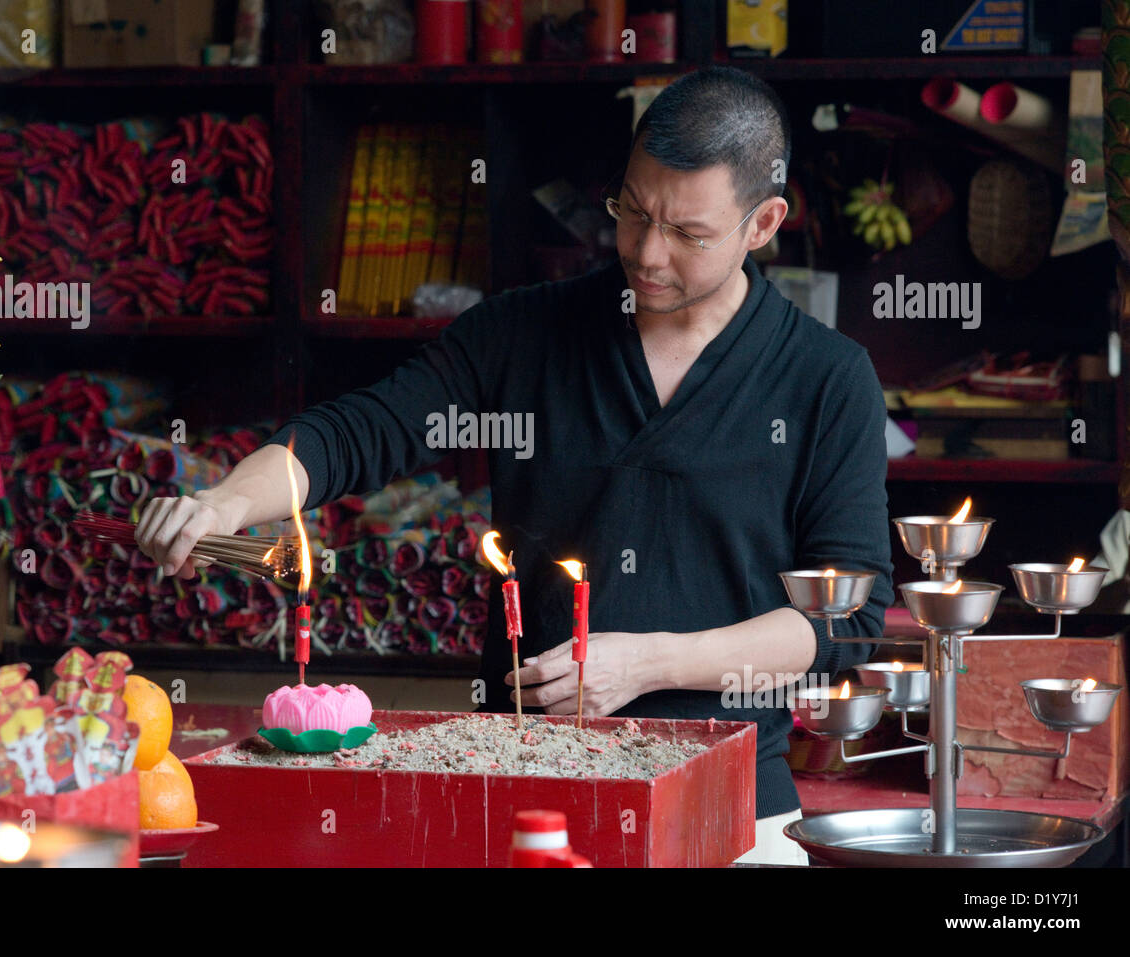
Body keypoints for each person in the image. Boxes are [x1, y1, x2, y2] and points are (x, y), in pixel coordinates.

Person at [136, 66, 892, 866]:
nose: (646, 251)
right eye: (631, 211)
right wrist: (223, 505)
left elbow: (845, 618)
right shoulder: (524, 334)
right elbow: (360, 431)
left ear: (763, 222)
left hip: (735, 797)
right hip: (526, 786)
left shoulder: (826, 379)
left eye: (688, 233)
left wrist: (647, 661)